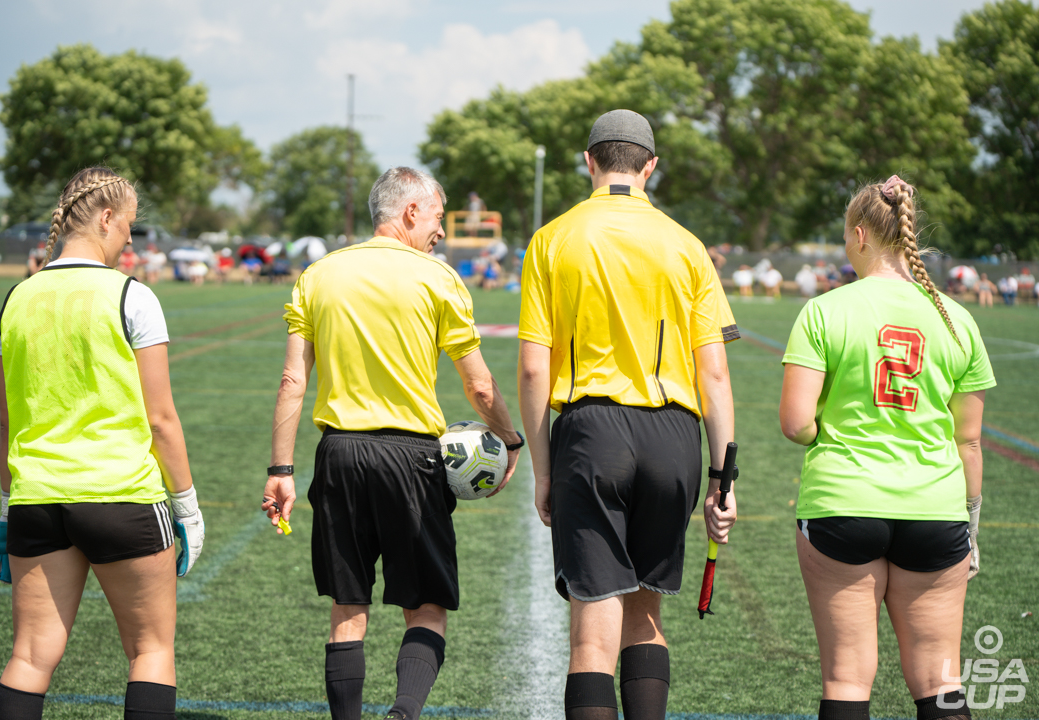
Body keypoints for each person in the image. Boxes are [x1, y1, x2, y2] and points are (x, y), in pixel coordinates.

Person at [262, 167, 523, 720]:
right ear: (410, 211)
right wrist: (510, 438)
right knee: (426, 607)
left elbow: (291, 382)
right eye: (437, 216)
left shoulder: (318, 275)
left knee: (347, 608)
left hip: (338, 455)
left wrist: (280, 469)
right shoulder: (439, 277)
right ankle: (403, 714)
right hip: (412, 461)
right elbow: (479, 386)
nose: (441, 231)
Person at [518, 110, 739, 720]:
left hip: (591, 433)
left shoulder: (552, 239)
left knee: (592, 638)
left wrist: (542, 471)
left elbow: (534, 371)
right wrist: (723, 480)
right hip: (674, 438)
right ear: (650, 166)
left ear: (589, 161)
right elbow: (715, 375)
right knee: (645, 617)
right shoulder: (687, 245)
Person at [0, 167, 205, 720]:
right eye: (128, 225)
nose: (130, 239)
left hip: (37, 500)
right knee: (150, 651)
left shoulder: (15, 298)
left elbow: (8, 423)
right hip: (122, 498)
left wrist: (10, 506)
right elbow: (161, 419)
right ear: (106, 218)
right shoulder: (132, 294)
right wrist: (187, 506)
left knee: (29, 658)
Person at [779, 176, 993, 720]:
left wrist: (832, 434)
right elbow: (968, 441)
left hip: (843, 503)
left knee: (846, 679)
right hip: (936, 509)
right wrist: (970, 522)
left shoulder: (825, 310)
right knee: (941, 681)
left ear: (860, 235)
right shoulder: (957, 318)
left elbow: (796, 424)